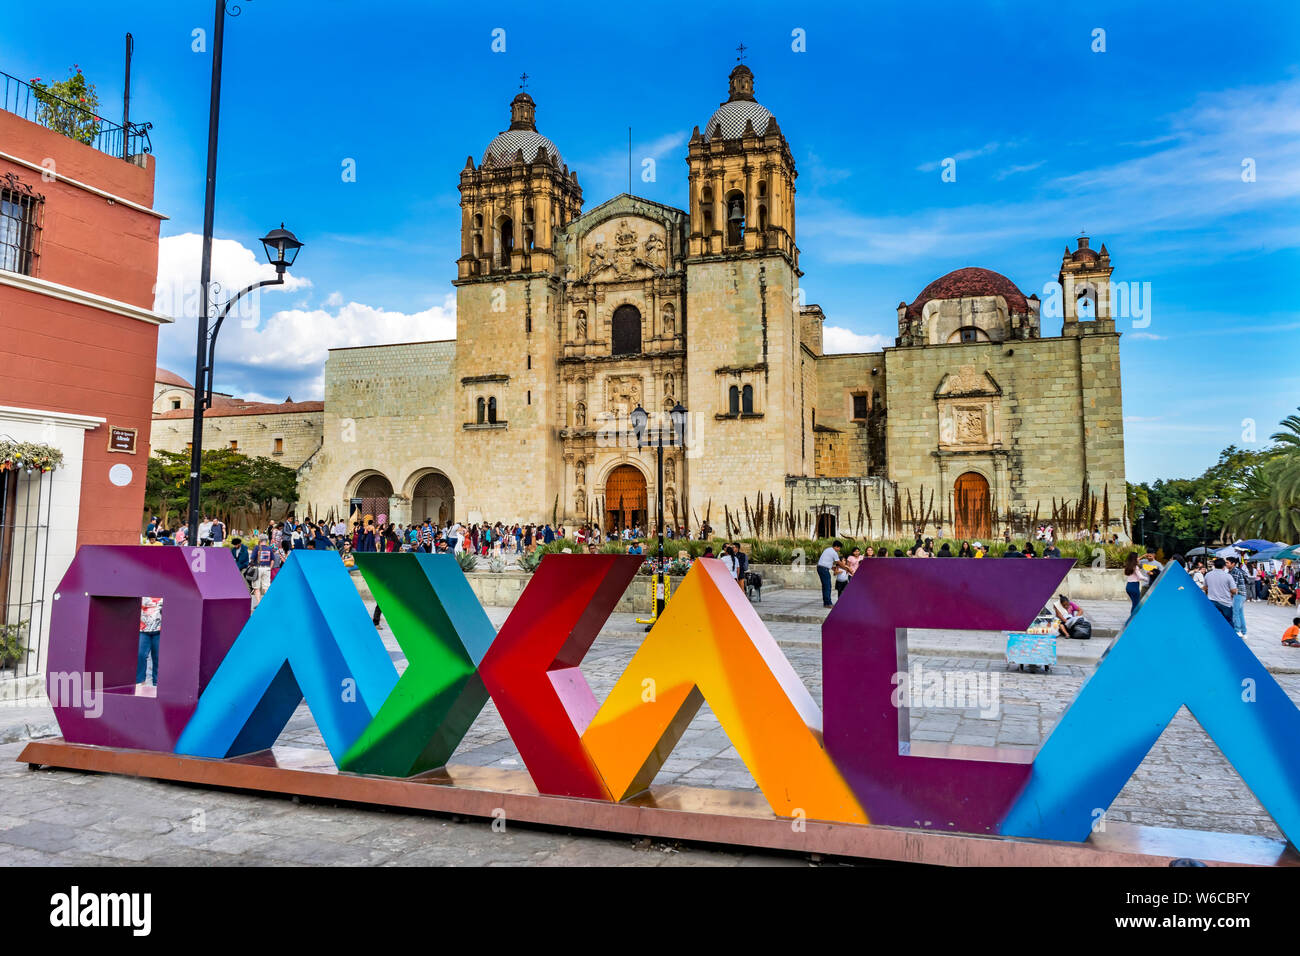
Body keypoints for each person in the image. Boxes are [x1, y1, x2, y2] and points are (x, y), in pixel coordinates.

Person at [137, 596, 163, 690]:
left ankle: (157, 683)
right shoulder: (143, 591)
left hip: (160, 629)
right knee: (140, 654)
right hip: (143, 629)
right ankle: (140, 681)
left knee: (158, 656)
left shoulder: (164, 591)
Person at [1204, 557, 1237, 626]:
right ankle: (1229, 636)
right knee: (1229, 622)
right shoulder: (1228, 576)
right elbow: (1234, 590)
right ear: (1224, 566)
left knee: (1213, 622)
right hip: (1225, 603)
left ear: (1214, 565)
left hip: (1212, 601)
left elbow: (1205, 587)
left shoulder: (1208, 575)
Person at [249, 536, 279, 609]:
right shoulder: (269, 549)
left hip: (258, 569)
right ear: (266, 540)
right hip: (267, 569)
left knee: (256, 587)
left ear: (260, 540)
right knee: (266, 587)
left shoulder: (257, 548)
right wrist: (270, 568)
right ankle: (267, 604)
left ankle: (260, 604)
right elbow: (272, 560)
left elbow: (252, 558)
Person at [1226, 556, 1249, 638]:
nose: (1226, 564)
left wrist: (1230, 595)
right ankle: (1244, 632)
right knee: (1240, 613)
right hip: (1241, 594)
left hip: (1238, 594)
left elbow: (1233, 586)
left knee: (1235, 612)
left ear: (1233, 564)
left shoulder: (1235, 571)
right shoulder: (1232, 571)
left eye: (1227, 562)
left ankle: (1237, 630)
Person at [816, 540, 843, 608]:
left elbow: (826, 562)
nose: (839, 550)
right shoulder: (834, 552)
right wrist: (847, 568)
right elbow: (839, 563)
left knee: (825, 586)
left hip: (821, 568)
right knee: (828, 586)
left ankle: (826, 602)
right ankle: (828, 603)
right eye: (839, 548)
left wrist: (833, 568)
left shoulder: (828, 550)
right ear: (836, 547)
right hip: (824, 569)